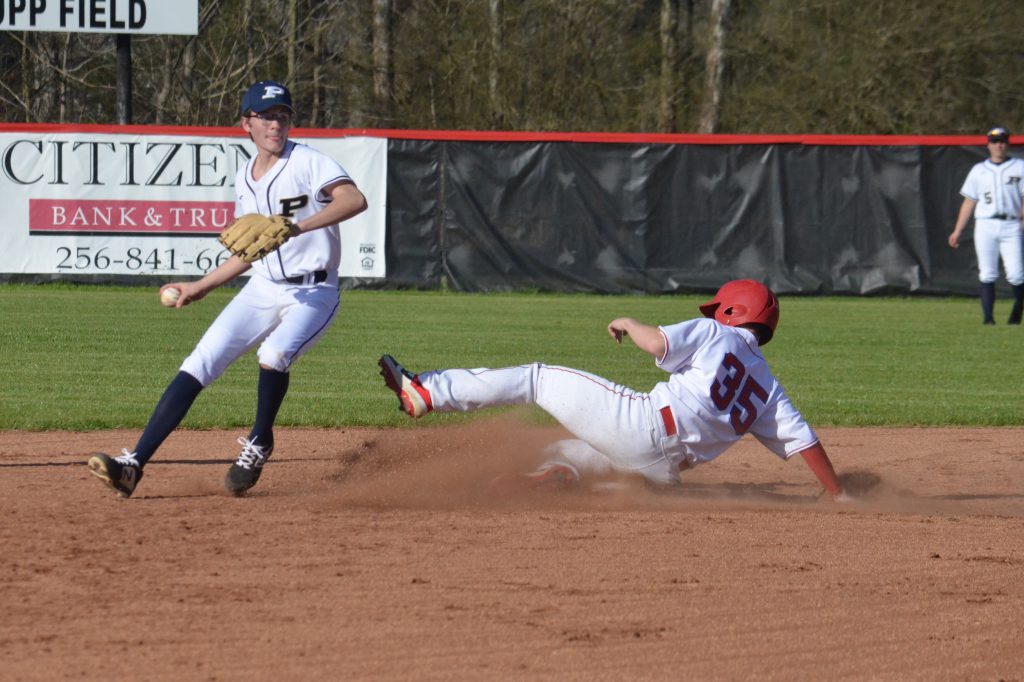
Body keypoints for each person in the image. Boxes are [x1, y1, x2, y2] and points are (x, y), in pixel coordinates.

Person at [88, 79, 367, 498]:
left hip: (313, 292)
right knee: (200, 361)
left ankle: (259, 440)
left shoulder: (309, 161)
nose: (276, 124)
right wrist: (201, 286)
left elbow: (354, 200)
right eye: (267, 116)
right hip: (263, 287)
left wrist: (299, 225)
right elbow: (250, 248)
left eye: (283, 115)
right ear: (247, 123)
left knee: (274, 354)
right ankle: (133, 466)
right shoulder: (245, 178)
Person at [378, 279, 848, 501]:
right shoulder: (768, 387)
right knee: (574, 447)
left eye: (717, 309)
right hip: (666, 470)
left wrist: (628, 320)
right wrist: (838, 492)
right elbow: (805, 442)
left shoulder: (714, 333)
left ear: (730, 313)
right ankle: (563, 475)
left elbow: (655, 343)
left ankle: (427, 391)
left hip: (642, 425)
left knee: (536, 378)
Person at [948, 126, 1024, 325]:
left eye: (1003, 141)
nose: (999, 145)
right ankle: (988, 320)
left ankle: (1017, 312)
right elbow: (969, 202)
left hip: (1012, 224)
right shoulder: (979, 170)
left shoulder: (1019, 166)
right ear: (988, 144)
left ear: (1008, 143)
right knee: (987, 272)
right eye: (994, 141)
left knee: (1016, 274)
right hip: (985, 224)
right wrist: (958, 230)